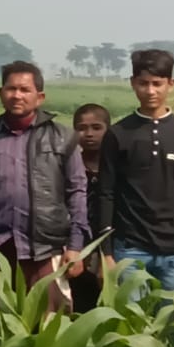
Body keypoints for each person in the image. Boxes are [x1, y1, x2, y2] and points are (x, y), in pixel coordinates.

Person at [0, 61, 90, 309]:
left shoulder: (63, 137)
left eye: (25, 90)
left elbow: (77, 193)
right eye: (11, 89)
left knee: (49, 325)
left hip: (45, 248)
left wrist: (75, 246)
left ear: (40, 97)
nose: (17, 95)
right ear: (1, 93)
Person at [94, 48, 174, 300]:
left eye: (157, 84)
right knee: (132, 326)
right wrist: (107, 254)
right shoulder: (118, 134)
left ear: (171, 84)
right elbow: (106, 193)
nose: (150, 91)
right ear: (133, 83)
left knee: (173, 326)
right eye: (143, 83)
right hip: (130, 250)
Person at [67, 103, 112, 313]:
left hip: (108, 246)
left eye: (96, 127)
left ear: (108, 130)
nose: (89, 134)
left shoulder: (116, 166)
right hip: (75, 246)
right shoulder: (68, 165)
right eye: (82, 128)